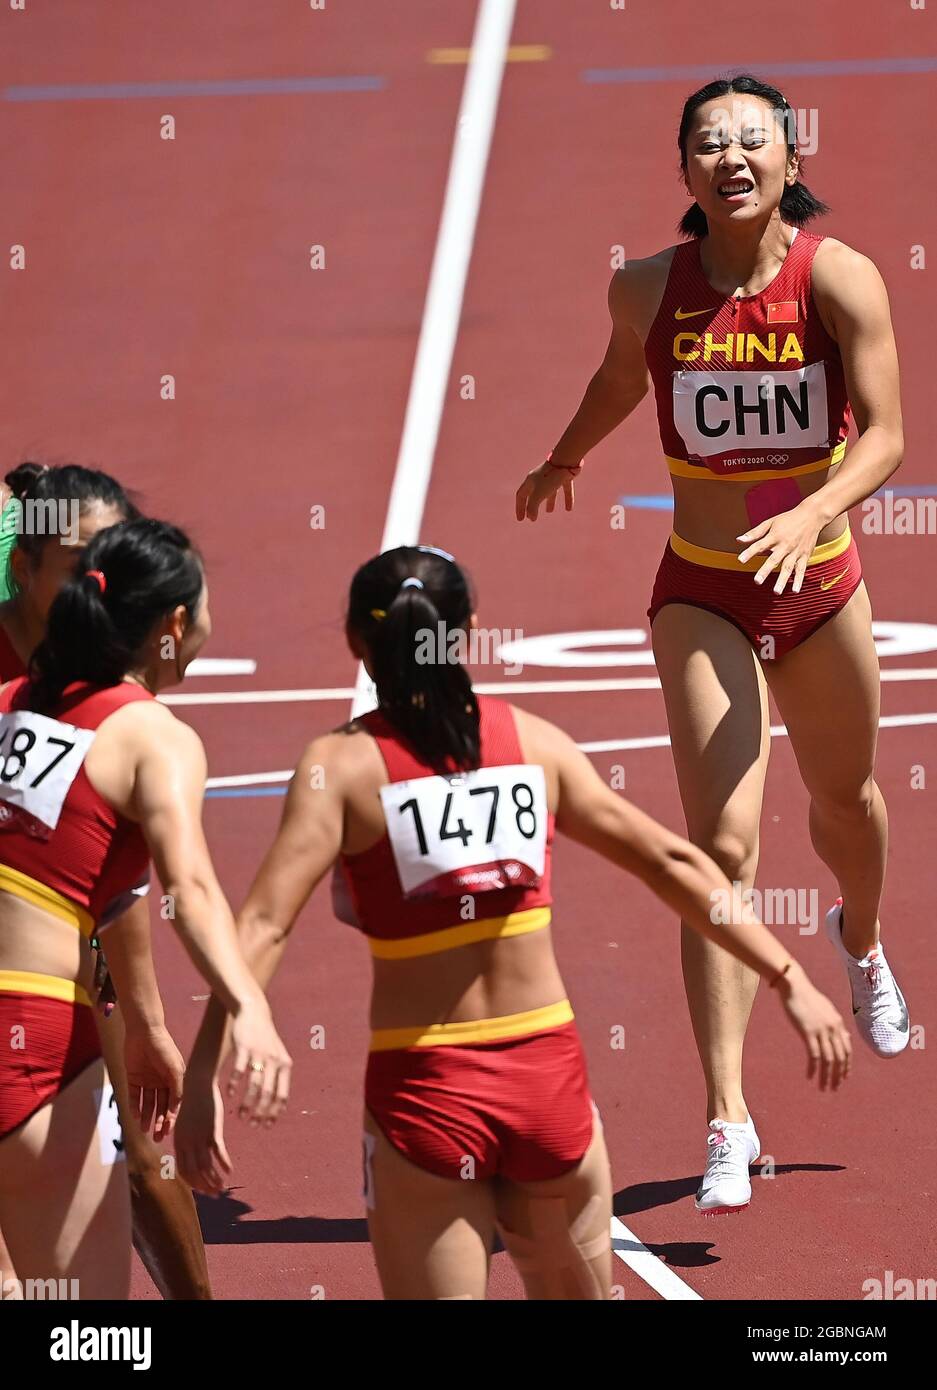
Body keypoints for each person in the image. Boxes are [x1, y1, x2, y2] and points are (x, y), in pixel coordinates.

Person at [176, 544, 849, 1299]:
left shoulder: (342, 769)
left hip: (425, 1093)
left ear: (355, 645)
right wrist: (787, 977)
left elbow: (262, 925)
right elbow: (675, 864)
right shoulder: (532, 746)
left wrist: (206, 1069)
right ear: (467, 630)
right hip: (546, 1089)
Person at [514, 74, 909, 1215]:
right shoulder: (646, 286)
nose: (731, 158)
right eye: (708, 145)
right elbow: (615, 381)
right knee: (720, 847)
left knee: (845, 804)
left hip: (820, 585)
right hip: (702, 590)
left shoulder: (836, 278)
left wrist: (814, 511)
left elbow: (886, 434)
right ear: (683, 171)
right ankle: (727, 1113)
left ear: (788, 159)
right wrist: (564, 455)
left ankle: (863, 942)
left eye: (752, 141)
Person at [0, 517, 291, 1298]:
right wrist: (247, 1005)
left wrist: (146, 1021)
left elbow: (100, 885)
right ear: (172, 625)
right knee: (89, 1328)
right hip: (31, 1041)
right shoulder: (151, 735)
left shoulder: (5, 703)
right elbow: (187, 892)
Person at [0, 460, 212, 1299]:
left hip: (59, 944)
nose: (104, 576)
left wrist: (146, 1016)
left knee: (138, 1144)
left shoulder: (97, 679)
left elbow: (111, 866)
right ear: (24, 568)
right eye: (83, 559)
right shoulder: (26, 685)